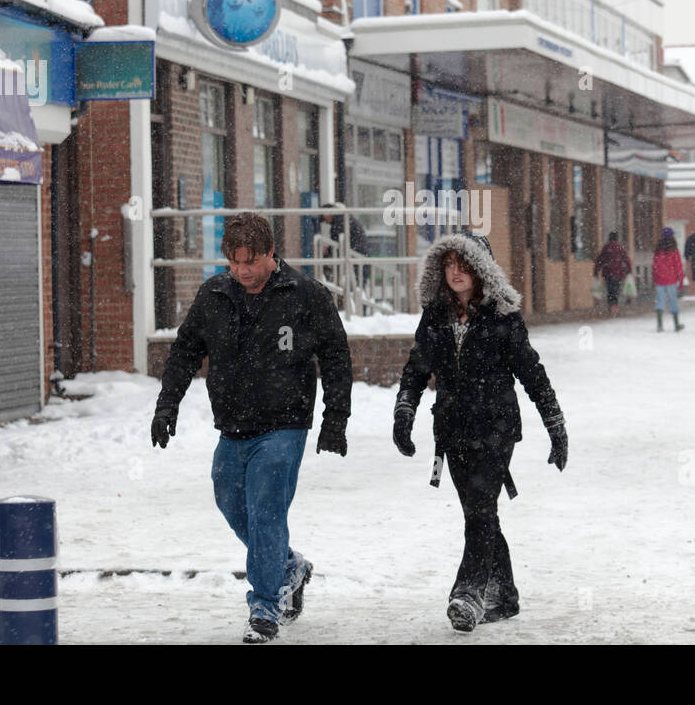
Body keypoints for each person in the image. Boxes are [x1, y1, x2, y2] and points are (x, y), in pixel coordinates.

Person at [151, 212, 353, 644]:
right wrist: (166, 407)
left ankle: (265, 607)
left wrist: (336, 420)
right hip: (233, 427)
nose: (241, 270)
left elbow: (336, 357)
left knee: (265, 510)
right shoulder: (215, 294)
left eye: (250, 260)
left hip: (285, 424)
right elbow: (185, 352)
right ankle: (288, 566)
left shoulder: (305, 295)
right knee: (229, 501)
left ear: (270, 253)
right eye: (233, 261)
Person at [393, 232, 567, 633]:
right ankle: (504, 594)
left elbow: (531, 372)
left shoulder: (502, 315)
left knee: (480, 510)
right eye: (449, 264)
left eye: (464, 264)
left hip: (495, 429)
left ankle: (468, 593)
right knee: (479, 511)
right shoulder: (435, 315)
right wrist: (405, 411)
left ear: (481, 270)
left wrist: (555, 425)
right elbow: (417, 368)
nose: (455, 272)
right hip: (453, 431)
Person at [652, 227, 685, 332]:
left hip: (659, 281)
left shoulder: (658, 250)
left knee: (660, 302)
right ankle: (676, 324)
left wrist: (655, 278)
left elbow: (654, 266)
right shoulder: (674, 250)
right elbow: (678, 266)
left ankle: (659, 325)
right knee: (673, 302)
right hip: (671, 280)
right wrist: (681, 281)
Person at [593, 231, 633, 318]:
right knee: (615, 291)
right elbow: (627, 259)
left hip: (608, 274)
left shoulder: (606, 247)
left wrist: (596, 270)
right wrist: (629, 270)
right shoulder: (620, 247)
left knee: (610, 291)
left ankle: (611, 307)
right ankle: (614, 307)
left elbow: (600, 259)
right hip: (619, 274)